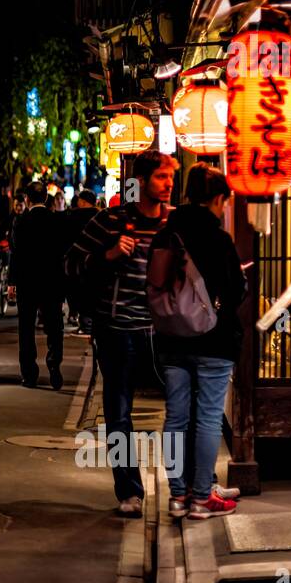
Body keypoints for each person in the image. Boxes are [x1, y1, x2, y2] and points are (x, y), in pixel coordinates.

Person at [67, 150, 177, 517]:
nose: (168, 184)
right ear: (141, 181)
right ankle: (129, 491)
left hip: (164, 331)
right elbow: (72, 263)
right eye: (161, 177)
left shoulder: (174, 225)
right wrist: (109, 255)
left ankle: (187, 485)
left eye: (171, 178)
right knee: (118, 412)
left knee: (181, 408)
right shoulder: (110, 221)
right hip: (116, 330)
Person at [149, 164, 246, 520]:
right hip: (213, 341)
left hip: (172, 339)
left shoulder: (166, 235)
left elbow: (156, 284)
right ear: (218, 199)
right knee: (207, 418)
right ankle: (202, 498)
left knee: (175, 417)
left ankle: (177, 496)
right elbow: (235, 290)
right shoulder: (219, 240)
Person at [9, 180, 70, 389]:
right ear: (46, 198)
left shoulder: (20, 221)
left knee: (26, 327)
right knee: (54, 326)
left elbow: (15, 254)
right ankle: (54, 366)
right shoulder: (57, 221)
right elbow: (64, 252)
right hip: (52, 280)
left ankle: (29, 373)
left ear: (27, 199)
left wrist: (11, 282)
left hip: (27, 281)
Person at [63, 188, 99, 336]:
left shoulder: (73, 215)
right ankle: (89, 323)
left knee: (78, 292)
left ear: (83, 201)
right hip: (96, 260)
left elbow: (66, 239)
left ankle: (85, 324)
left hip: (77, 260)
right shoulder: (100, 216)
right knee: (92, 291)